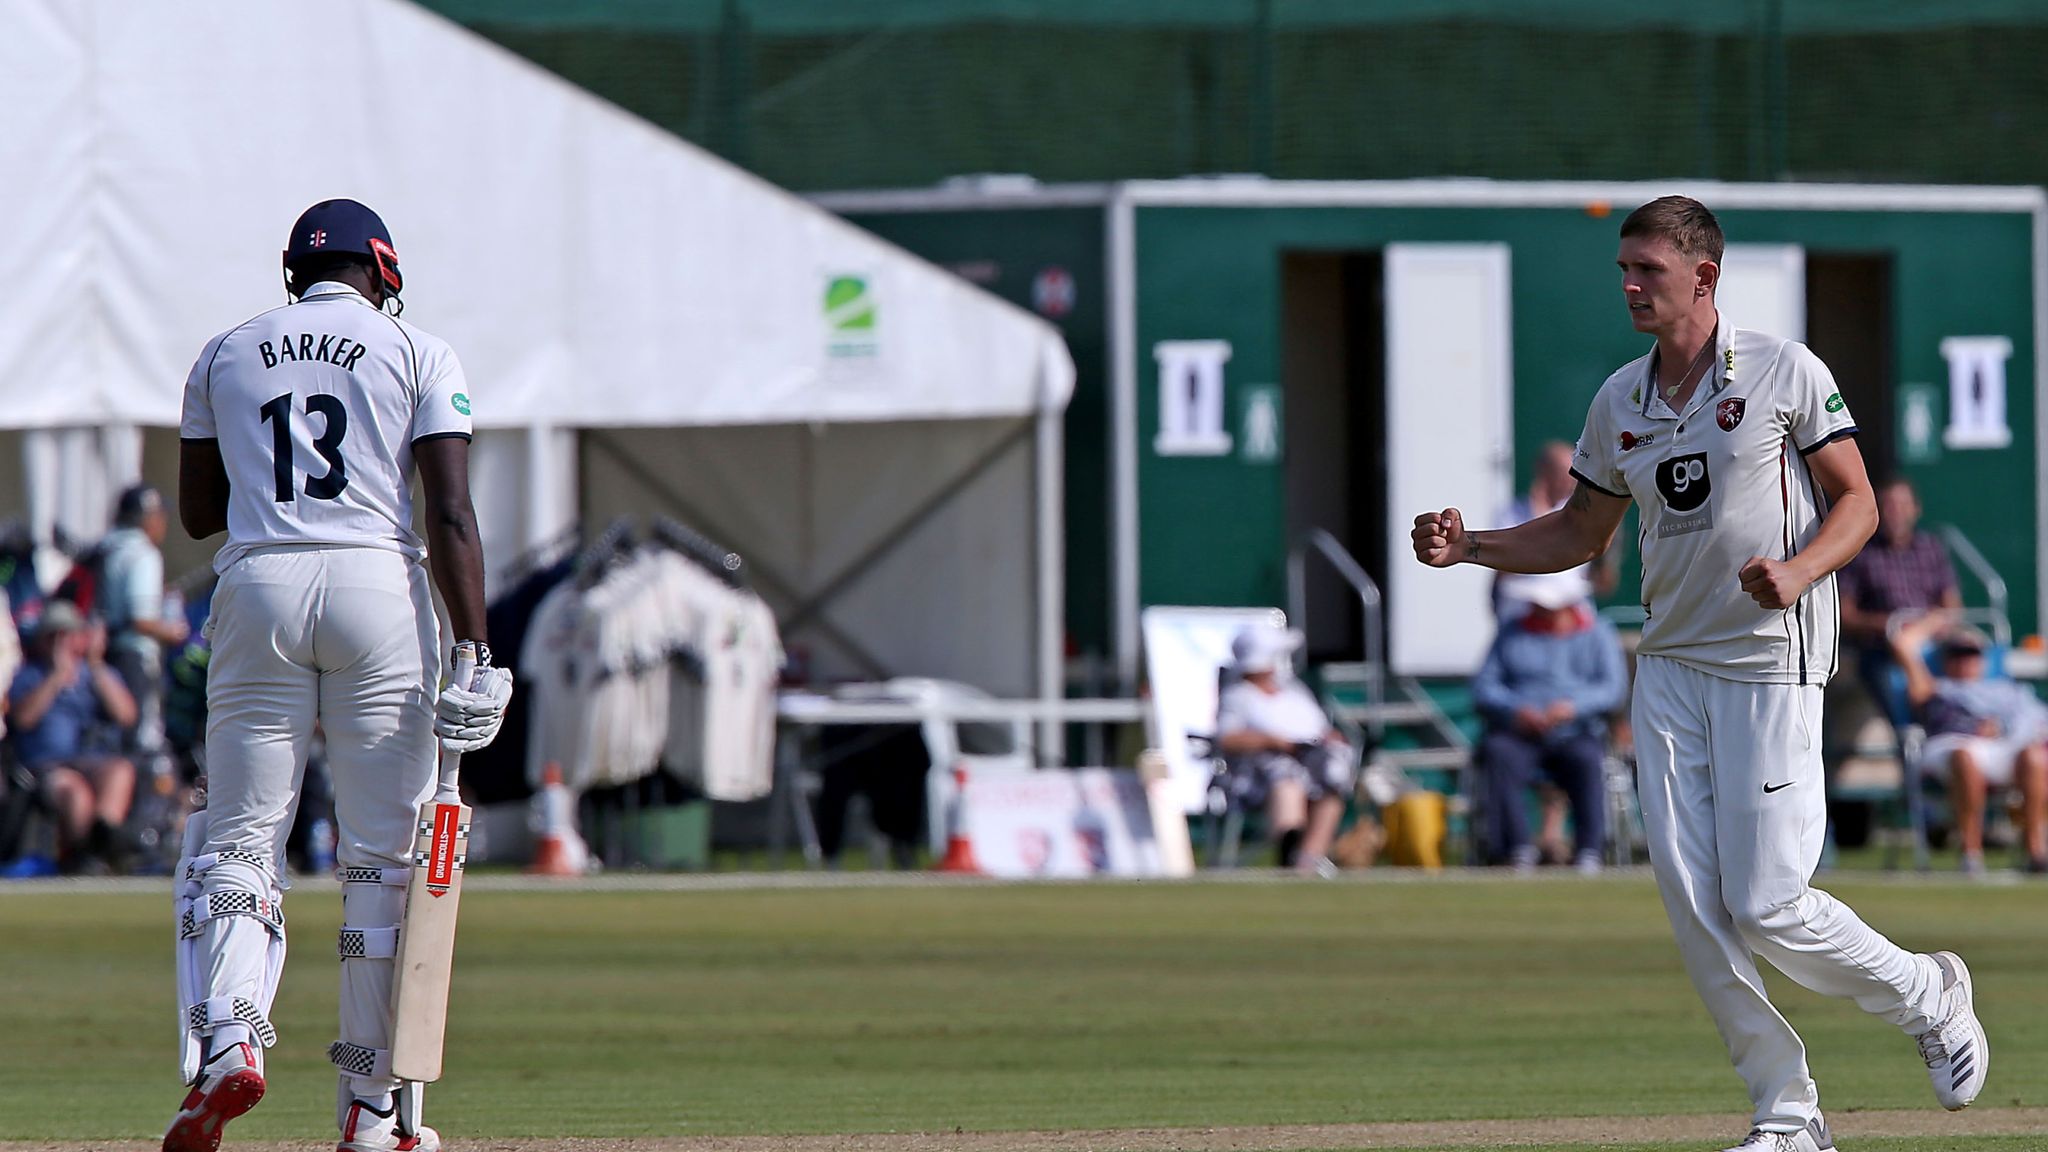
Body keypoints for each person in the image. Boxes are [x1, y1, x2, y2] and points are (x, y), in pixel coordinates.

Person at [1411, 196, 1985, 1152]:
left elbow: (1857, 505)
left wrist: (1799, 571)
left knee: (1767, 904)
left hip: (1771, 657)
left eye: (1649, 270)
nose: (1631, 286)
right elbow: (1580, 534)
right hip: (1671, 663)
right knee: (1698, 915)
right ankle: (1788, 1119)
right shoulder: (1617, 401)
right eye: (1624, 270)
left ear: (1704, 278)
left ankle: (1928, 993)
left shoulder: (1781, 369)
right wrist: (1471, 547)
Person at [163, 199, 513, 1152]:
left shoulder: (224, 352)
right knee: (381, 866)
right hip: (377, 591)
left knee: (238, 844)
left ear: (292, 273)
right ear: (384, 272)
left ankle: (232, 1034)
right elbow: (450, 514)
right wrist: (476, 648)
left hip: (259, 587)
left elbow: (200, 513)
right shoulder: (420, 354)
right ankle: (369, 1107)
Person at [1471, 572, 1627, 874]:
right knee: (1498, 753)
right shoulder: (1511, 632)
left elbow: (1611, 689)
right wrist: (1517, 709)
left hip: (1576, 733)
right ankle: (1517, 850)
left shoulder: (1599, 633)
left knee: (1586, 760)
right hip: (1520, 735)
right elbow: (1484, 687)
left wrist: (1573, 708)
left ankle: (1589, 853)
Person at [1890, 613, 2048, 875]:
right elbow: (1902, 643)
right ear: (1945, 660)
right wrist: (1936, 620)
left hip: (2001, 747)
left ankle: (2035, 850)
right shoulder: (1933, 688)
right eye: (1957, 653)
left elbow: (2037, 721)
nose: (1965, 660)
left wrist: (2002, 728)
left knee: (2033, 755)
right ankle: (1971, 853)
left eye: (1972, 653)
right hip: (1949, 745)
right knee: (1965, 756)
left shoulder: (2009, 691)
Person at [6, 599, 140, 872]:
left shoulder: (98, 674)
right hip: (47, 765)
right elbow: (22, 719)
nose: (64, 642)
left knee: (119, 771)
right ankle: (83, 856)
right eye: (56, 636)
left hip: (93, 759)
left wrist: (96, 664)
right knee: (74, 792)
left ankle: (103, 840)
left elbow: (126, 715)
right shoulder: (30, 675)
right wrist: (56, 676)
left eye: (70, 634)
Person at [1215, 627, 1354, 874]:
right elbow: (1227, 739)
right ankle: (1289, 846)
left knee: (1330, 792)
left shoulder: (1293, 692)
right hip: (1257, 776)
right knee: (1287, 783)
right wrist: (1272, 742)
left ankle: (1305, 864)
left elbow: (1319, 729)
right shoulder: (1238, 696)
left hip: (1310, 768)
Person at [1839, 477, 1961, 727]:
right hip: (1881, 649)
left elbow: (1952, 605)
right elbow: (1844, 613)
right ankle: (1915, 731)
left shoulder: (1931, 548)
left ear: (1916, 509)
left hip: (1933, 641)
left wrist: (1929, 626)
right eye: (1890, 505)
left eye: (1903, 505)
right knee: (1897, 650)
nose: (1896, 513)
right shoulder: (1862, 553)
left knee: (1973, 650)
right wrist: (1885, 625)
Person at [100, 484, 192, 764]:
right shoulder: (143, 553)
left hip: (105, 653)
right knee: (142, 738)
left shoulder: (107, 546)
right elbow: (140, 619)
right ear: (147, 518)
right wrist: (173, 630)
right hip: (134, 657)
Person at [1496, 440, 1619, 616]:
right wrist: (1538, 512)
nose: (1570, 479)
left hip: (1574, 614)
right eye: (1562, 472)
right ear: (1543, 472)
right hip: (1524, 614)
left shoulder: (1583, 512)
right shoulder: (1512, 513)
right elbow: (1504, 564)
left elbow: (1606, 582)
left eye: (1573, 471)